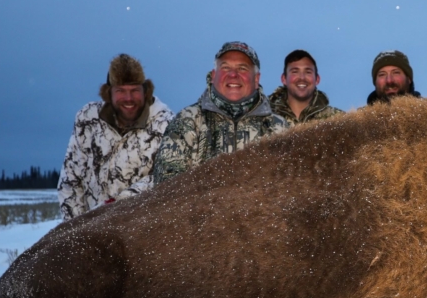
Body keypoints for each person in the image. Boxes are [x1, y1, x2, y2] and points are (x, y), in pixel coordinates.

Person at [152, 42, 288, 183]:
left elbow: (289, 185)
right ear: (214, 75)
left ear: (256, 79)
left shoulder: (279, 128)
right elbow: (167, 184)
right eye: (226, 67)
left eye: (242, 68)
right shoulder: (188, 120)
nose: (233, 75)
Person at [58, 54, 173, 220]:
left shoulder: (166, 124)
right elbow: (71, 179)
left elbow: (167, 177)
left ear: (146, 92)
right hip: (91, 230)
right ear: (108, 93)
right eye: (120, 91)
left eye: (135, 90)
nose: (128, 98)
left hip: (144, 232)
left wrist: (116, 204)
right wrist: (74, 232)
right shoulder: (87, 120)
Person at [268, 50, 344, 124]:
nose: (302, 77)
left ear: (317, 79)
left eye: (308, 72)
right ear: (284, 79)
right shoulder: (264, 117)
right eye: (295, 72)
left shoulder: (337, 120)